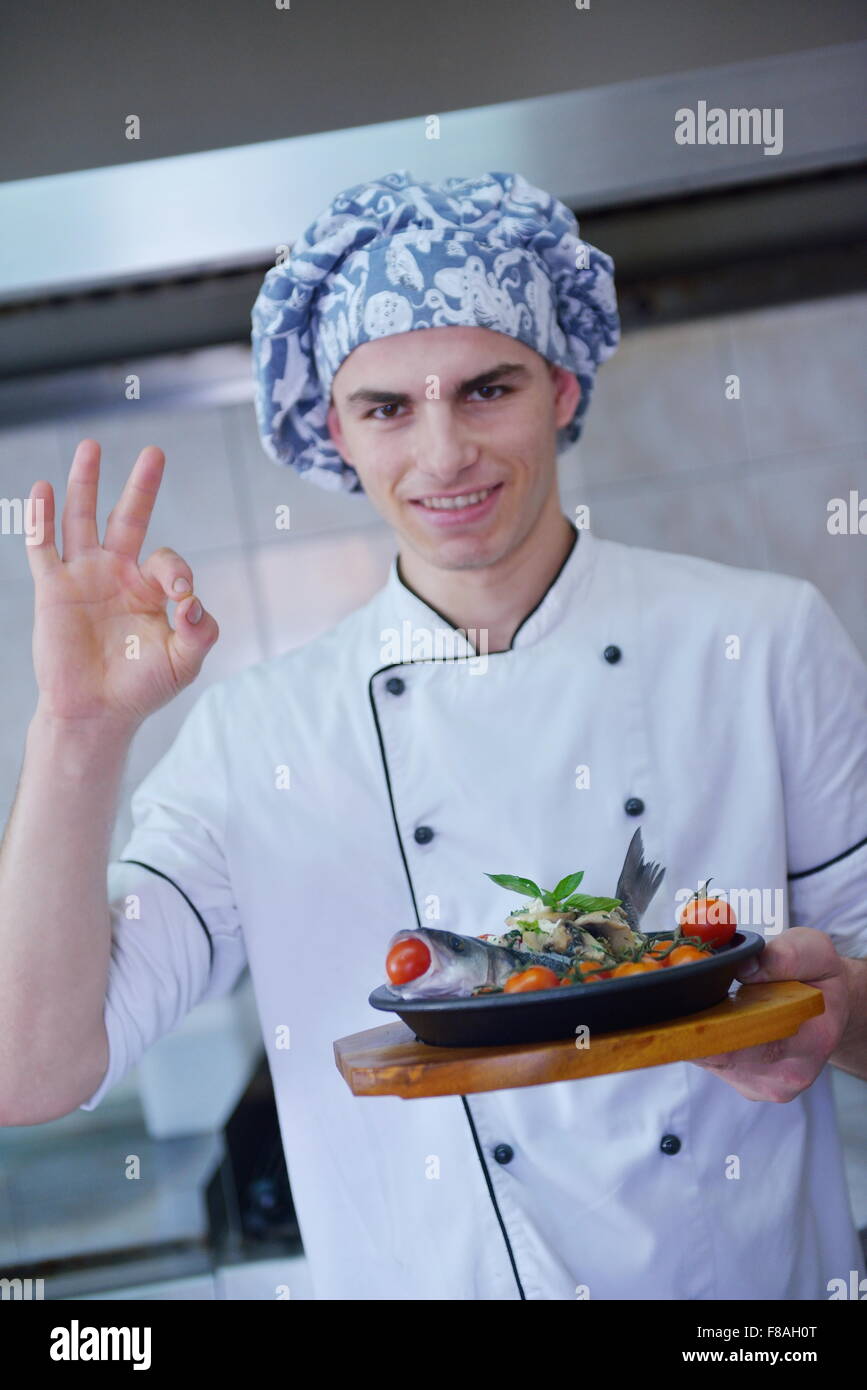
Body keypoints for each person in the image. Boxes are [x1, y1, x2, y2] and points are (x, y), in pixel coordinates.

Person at [1, 170, 865, 1301]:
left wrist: (835, 1009)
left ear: (560, 386)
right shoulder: (261, 735)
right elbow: (33, 1071)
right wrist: (74, 731)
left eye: (486, 388)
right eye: (388, 408)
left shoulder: (763, 641)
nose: (445, 451)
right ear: (332, 430)